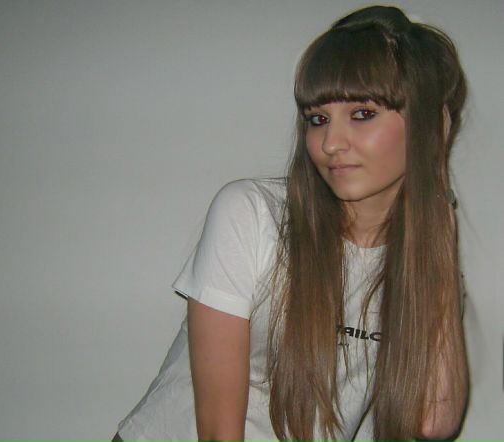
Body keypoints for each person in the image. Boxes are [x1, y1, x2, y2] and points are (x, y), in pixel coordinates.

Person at [113, 5, 468, 442]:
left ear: (428, 125)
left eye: (362, 113)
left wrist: (439, 222)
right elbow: (219, 434)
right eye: (318, 119)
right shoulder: (251, 215)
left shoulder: (420, 262)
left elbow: (432, 421)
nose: (330, 143)